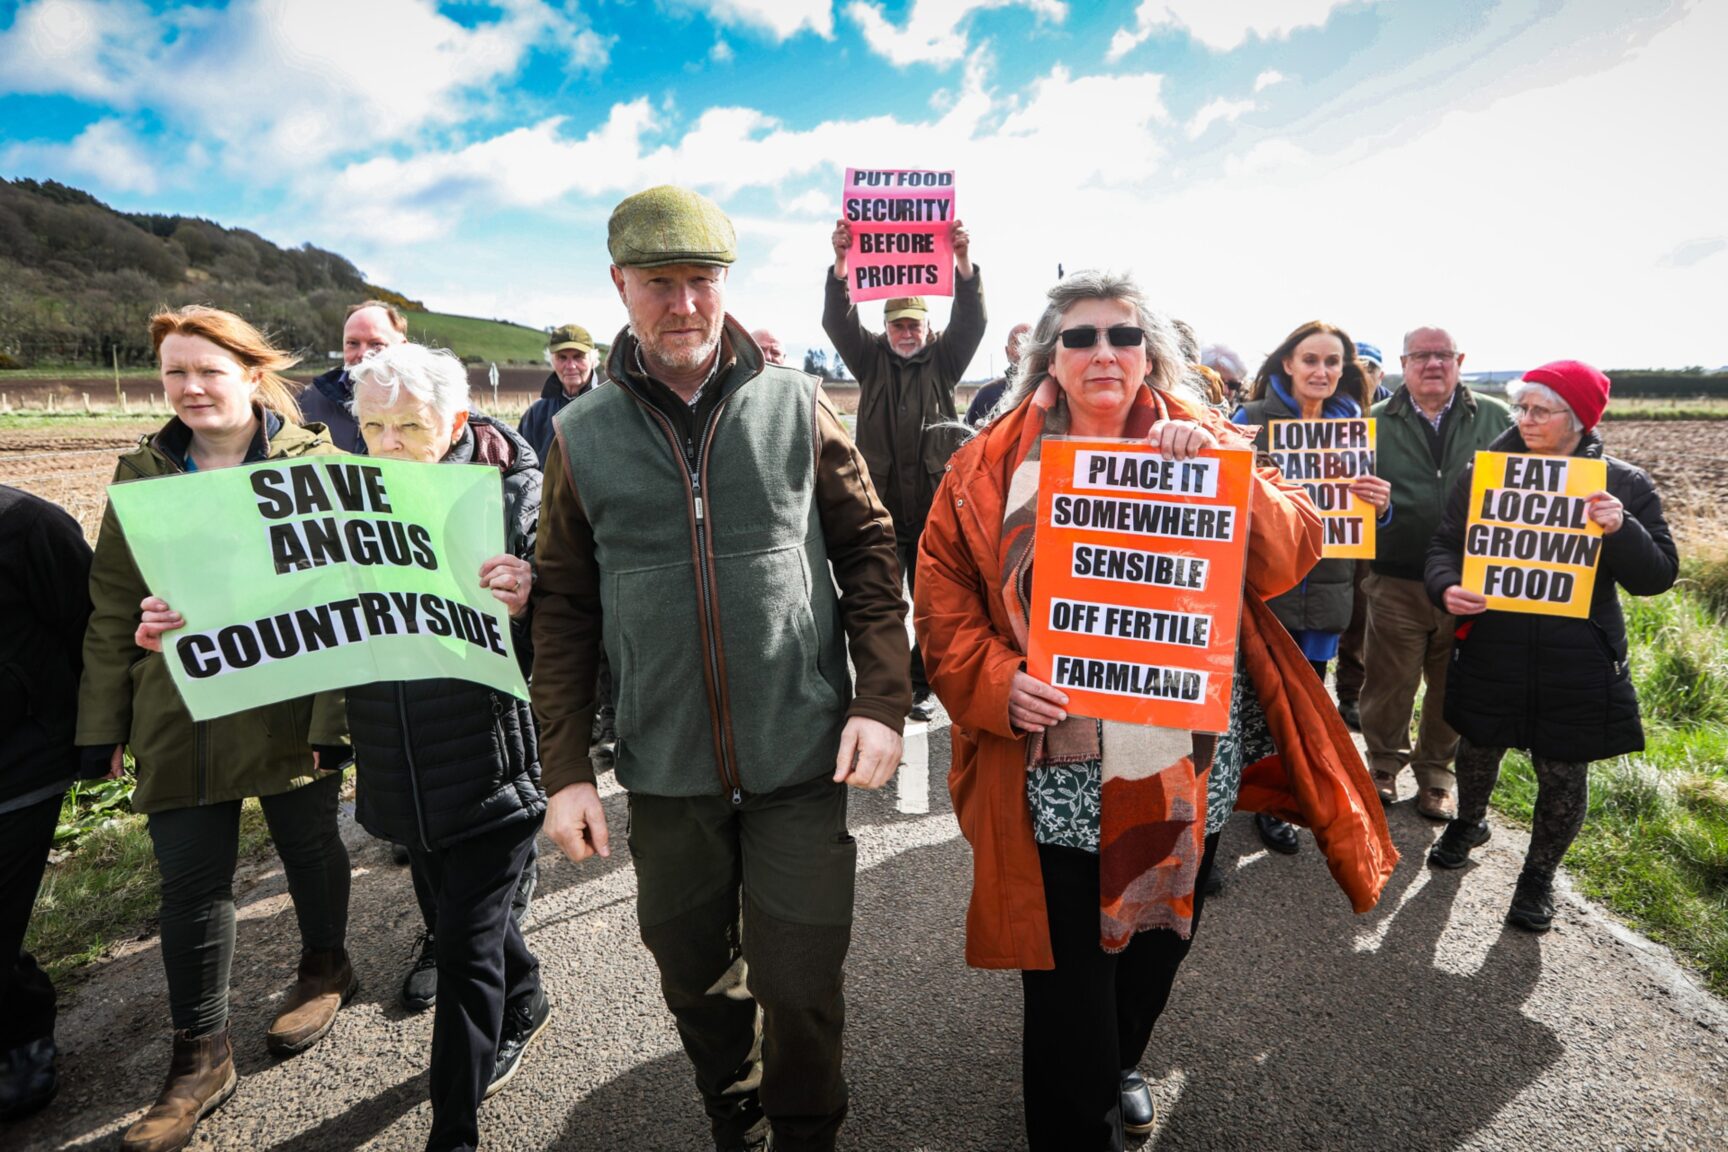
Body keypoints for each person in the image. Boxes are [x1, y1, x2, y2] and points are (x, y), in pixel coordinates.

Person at [914, 271, 1397, 1151]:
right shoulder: (984, 465)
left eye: (1123, 336)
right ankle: (1073, 1122)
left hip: (1179, 763)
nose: (1105, 351)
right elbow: (941, 598)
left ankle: (1120, 1063)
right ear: (1048, 359)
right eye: (1082, 336)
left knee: (1154, 946)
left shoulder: (1205, 437)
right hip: (1052, 761)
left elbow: (1294, 549)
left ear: (1150, 353)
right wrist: (994, 680)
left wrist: (1226, 472)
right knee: (1067, 984)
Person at [531, 185, 912, 1152]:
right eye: (660, 283)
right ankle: (733, 1113)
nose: (685, 305)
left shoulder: (795, 402)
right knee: (692, 972)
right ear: (620, 285)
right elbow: (565, 608)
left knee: (799, 977)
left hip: (798, 756)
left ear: (725, 284)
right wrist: (566, 768)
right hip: (666, 769)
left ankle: (807, 1128)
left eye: (702, 280)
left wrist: (879, 699)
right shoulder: (581, 436)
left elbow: (867, 547)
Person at [77, 306, 352, 1152]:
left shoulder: (319, 466)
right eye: (174, 374)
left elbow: (348, 595)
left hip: (288, 699)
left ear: (250, 375)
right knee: (190, 881)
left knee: (308, 845)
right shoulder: (143, 473)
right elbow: (112, 606)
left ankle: (324, 964)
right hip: (181, 710)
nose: (191, 388)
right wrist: (104, 717)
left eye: (208, 371)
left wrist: (333, 717)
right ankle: (199, 1054)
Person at [349, 343, 549, 1150]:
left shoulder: (508, 495)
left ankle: (453, 1132)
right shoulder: (340, 504)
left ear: (456, 422)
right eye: (372, 426)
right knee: (467, 919)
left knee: (465, 956)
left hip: (487, 766)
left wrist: (529, 589)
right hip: (399, 770)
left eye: (408, 425)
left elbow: (565, 603)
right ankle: (528, 995)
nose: (389, 442)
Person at [1425, 360, 1676, 931]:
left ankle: (1537, 878)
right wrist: (1447, 587)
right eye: (1522, 408)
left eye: (1541, 410)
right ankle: (1470, 822)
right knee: (1479, 748)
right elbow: (1445, 546)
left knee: (1563, 771)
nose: (1526, 419)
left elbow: (1657, 576)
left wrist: (1622, 530)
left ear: (1579, 420)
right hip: (1495, 643)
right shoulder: (1487, 473)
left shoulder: (1625, 484)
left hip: (1579, 656)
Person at [1232, 322, 1390, 854]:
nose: (1321, 372)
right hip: (1262, 594)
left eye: (1332, 362)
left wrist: (1380, 504)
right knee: (1251, 703)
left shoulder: (1357, 430)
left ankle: (1280, 799)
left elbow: (1369, 523)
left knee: (1303, 706)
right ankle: (1235, 793)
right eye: (1310, 360)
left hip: (1327, 592)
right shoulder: (1250, 421)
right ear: (1287, 365)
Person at [823, 216, 986, 722]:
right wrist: (842, 264)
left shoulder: (946, 360)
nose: (907, 332)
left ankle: (918, 683)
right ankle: (886, 687)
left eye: (915, 323)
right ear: (885, 328)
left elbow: (971, 321)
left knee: (934, 604)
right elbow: (838, 320)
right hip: (880, 510)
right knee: (879, 604)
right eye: (898, 324)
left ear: (927, 326)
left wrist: (962, 264)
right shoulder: (868, 361)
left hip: (935, 508)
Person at [1358, 326, 1511, 819]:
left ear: (1459, 360)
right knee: (1388, 680)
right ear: (1403, 363)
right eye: (1421, 355)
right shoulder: (1373, 421)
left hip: (1471, 583)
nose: (1432, 364)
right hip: (1396, 576)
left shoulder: (1496, 417)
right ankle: (1382, 765)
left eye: (1442, 354)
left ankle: (1436, 775)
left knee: (1452, 683)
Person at [0, 487, 93, 1123]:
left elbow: (89, 630)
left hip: (18, 767)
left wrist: (97, 738)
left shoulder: (28, 525)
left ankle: (21, 1035)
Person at [1334, 339, 1390, 732]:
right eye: (1356, 365)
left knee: (1364, 616)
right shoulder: (1332, 411)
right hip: (1334, 527)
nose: (1364, 373)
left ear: (1380, 372)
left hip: (1372, 530)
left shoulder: (1388, 416)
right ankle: (1340, 693)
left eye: (1370, 365)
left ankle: (1357, 695)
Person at [298, 300, 409, 451]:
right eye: (353, 343)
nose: (363, 354)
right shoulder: (307, 402)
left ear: (403, 347)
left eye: (376, 344)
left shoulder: (427, 403)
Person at [518, 324, 600, 467]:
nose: (570, 365)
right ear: (552, 362)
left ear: (593, 361)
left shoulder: (607, 407)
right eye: (562, 358)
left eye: (578, 357)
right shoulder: (536, 414)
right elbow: (522, 467)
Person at [966, 321, 1031, 426]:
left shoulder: (1049, 394)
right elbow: (964, 437)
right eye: (1017, 342)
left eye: (1028, 341)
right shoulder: (986, 393)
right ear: (1007, 351)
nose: (1022, 348)